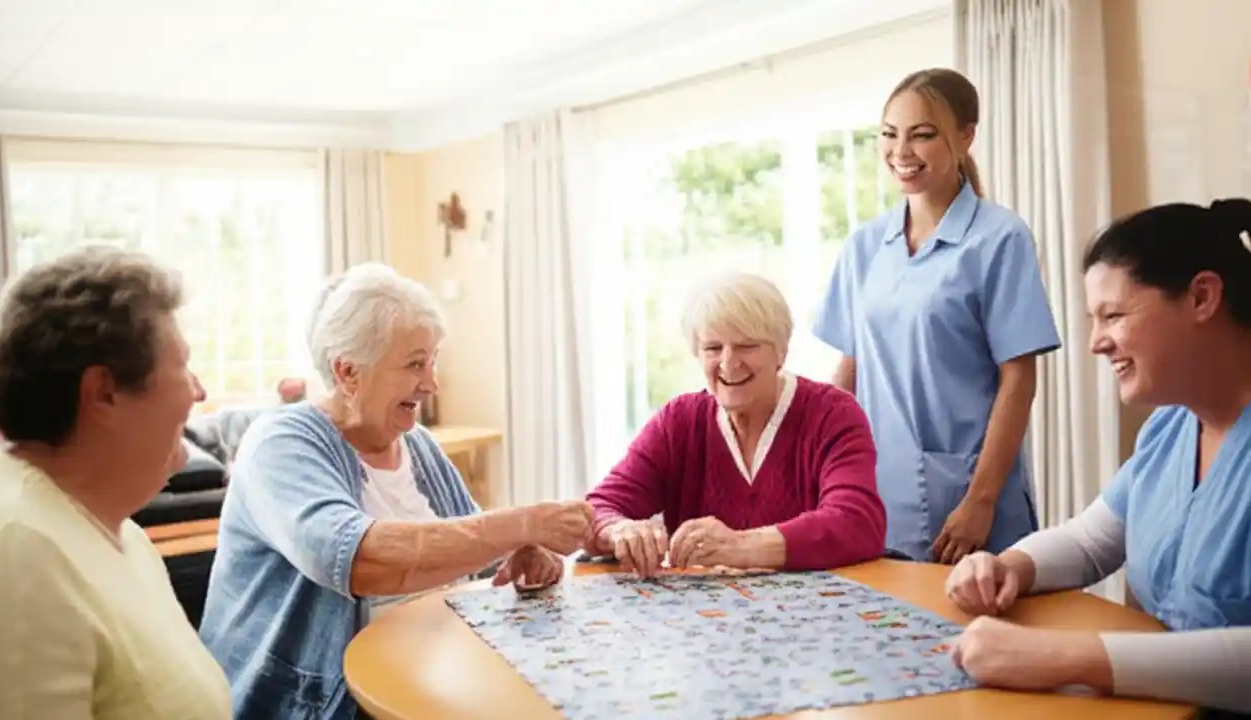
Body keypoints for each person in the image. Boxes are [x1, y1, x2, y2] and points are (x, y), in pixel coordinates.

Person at [200, 263, 593, 720]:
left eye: (433, 361)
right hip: (315, 706)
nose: (432, 383)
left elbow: (466, 541)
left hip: (428, 683)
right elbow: (358, 561)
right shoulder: (281, 443)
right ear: (348, 372)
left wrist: (517, 553)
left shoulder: (418, 445)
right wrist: (521, 524)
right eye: (414, 364)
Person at [945, 199, 1251, 714]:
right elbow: (1092, 539)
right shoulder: (1170, 429)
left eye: (1113, 315)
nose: (1095, 343)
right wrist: (1008, 568)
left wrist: (1068, 656)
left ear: (1202, 297)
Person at [813, 67, 1060, 564]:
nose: (901, 152)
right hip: (876, 498)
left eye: (922, 135)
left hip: (967, 502)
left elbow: (1018, 382)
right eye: (889, 134)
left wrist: (981, 500)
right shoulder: (866, 245)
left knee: (978, 640)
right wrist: (816, 472)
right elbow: (849, 372)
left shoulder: (998, 238)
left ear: (965, 137)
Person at [0, 248, 230, 719]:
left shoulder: (117, 530)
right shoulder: (17, 548)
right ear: (103, 392)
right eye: (183, 366)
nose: (198, 391)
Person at [585, 272, 886, 577]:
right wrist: (621, 530)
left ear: (781, 351)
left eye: (747, 346)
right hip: (702, 618)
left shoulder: (832, 414)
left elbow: (857, 522)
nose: (729, 363)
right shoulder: (679, 421)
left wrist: (741, 546)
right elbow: (598, 508)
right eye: (713, 348)